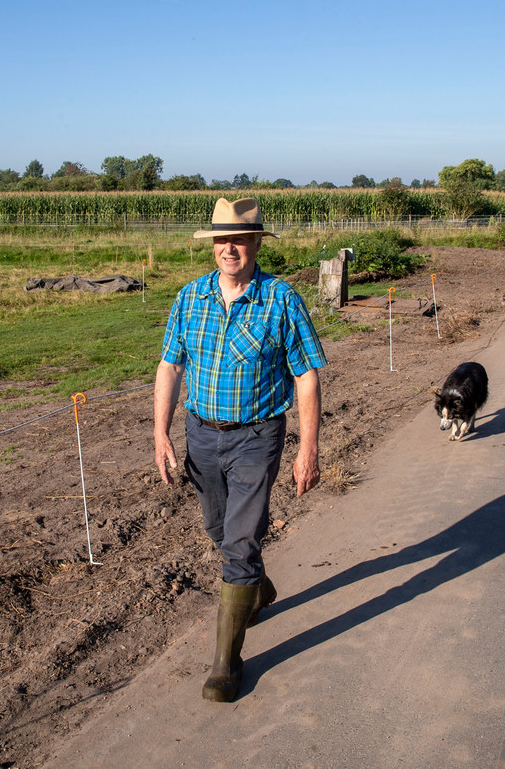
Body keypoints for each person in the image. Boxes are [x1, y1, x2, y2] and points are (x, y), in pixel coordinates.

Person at [153, 196, 326, 702]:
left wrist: (307, 448)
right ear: (213, 246)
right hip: (201, 434)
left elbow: (307, 374)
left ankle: (226, 665)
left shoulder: (281, 299)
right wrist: (160, 432)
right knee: (218, 527)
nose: (231, 249)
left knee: (240, 541)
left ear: (255, 244)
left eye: (241, 240)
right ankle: (258, 586)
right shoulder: (189, 299)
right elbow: (170, 366)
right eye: (222, 240)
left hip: (256, 437)